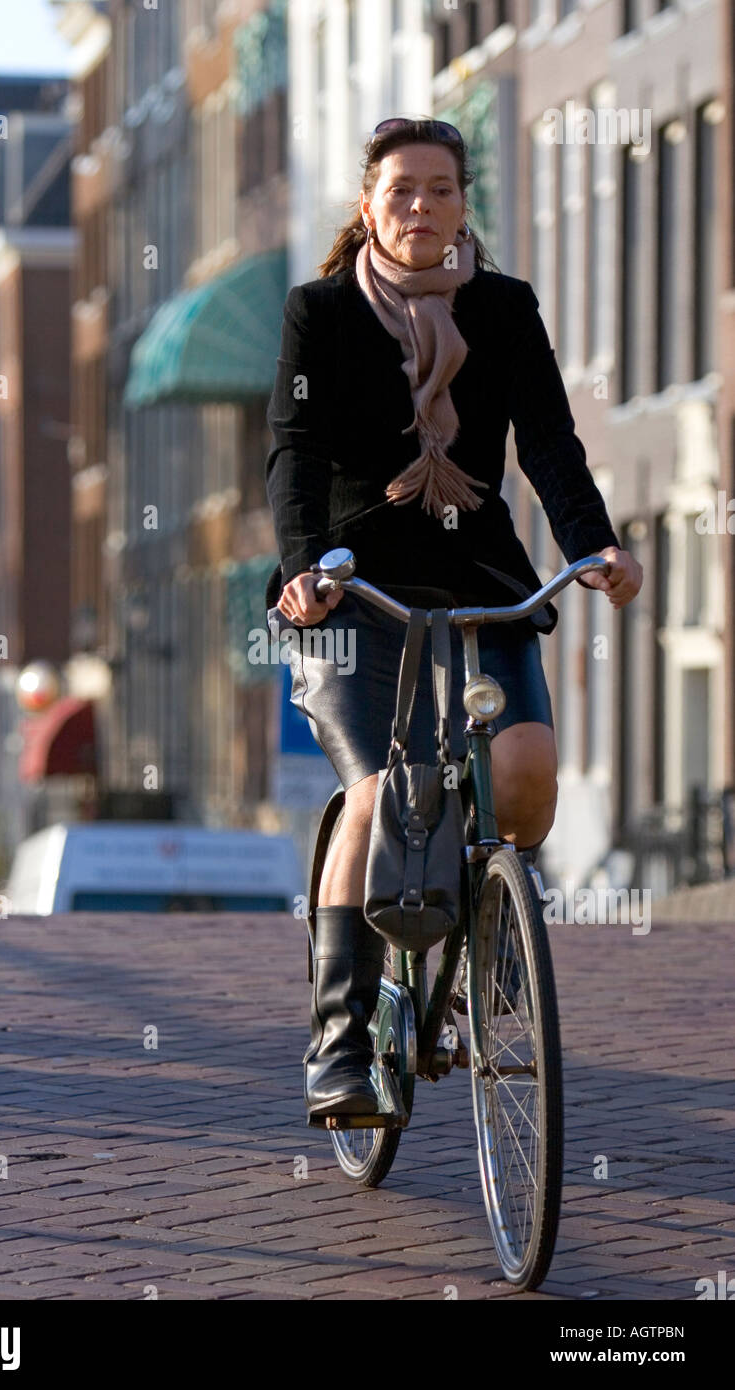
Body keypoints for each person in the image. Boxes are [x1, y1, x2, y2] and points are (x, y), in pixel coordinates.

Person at [264, 117, 643, 1124]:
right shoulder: (320, 313)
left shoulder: (503, 309)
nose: (419, 207)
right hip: (355, 588)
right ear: (367, 203)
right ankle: (340, 1045)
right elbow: (293, 452)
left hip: (478, 577)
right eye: (400, 190)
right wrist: (302, 568)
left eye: (438, 189)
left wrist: (591, 545)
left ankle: (491, 930)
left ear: (462, 202)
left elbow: (547, 442)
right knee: (376, 790)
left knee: (520, 770)